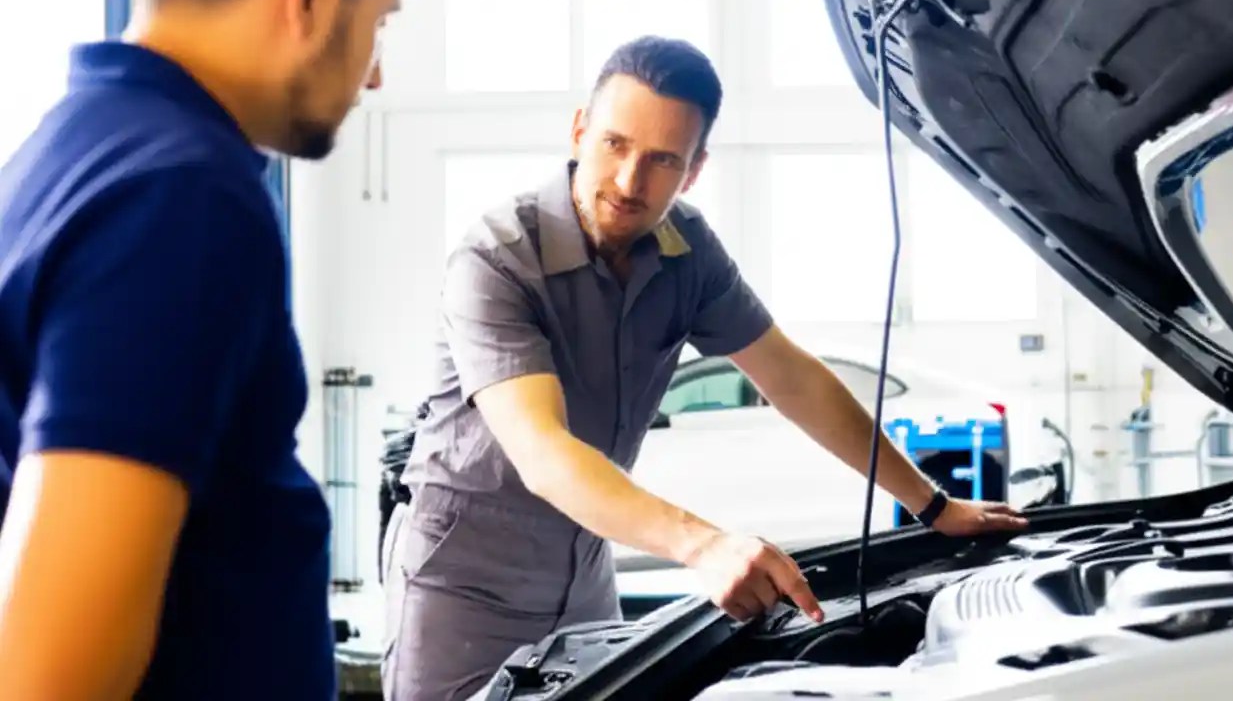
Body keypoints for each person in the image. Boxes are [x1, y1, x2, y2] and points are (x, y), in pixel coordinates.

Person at [381, 35, 1028, 701]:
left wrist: (932, 504)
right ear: (580, 131)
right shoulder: (496, 259)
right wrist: (705, 546)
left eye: (663, 160)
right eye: (615, 145)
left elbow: (791, 377)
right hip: (465, 586)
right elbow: (544, 455)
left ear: (694, 169)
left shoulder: (688, 252)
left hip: (584, 573)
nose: (631, 182)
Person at [0, 0, 400, 699]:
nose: (374, 74)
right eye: (378, 25)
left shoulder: (80, 143)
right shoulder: (181, 197)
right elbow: (48, 682)